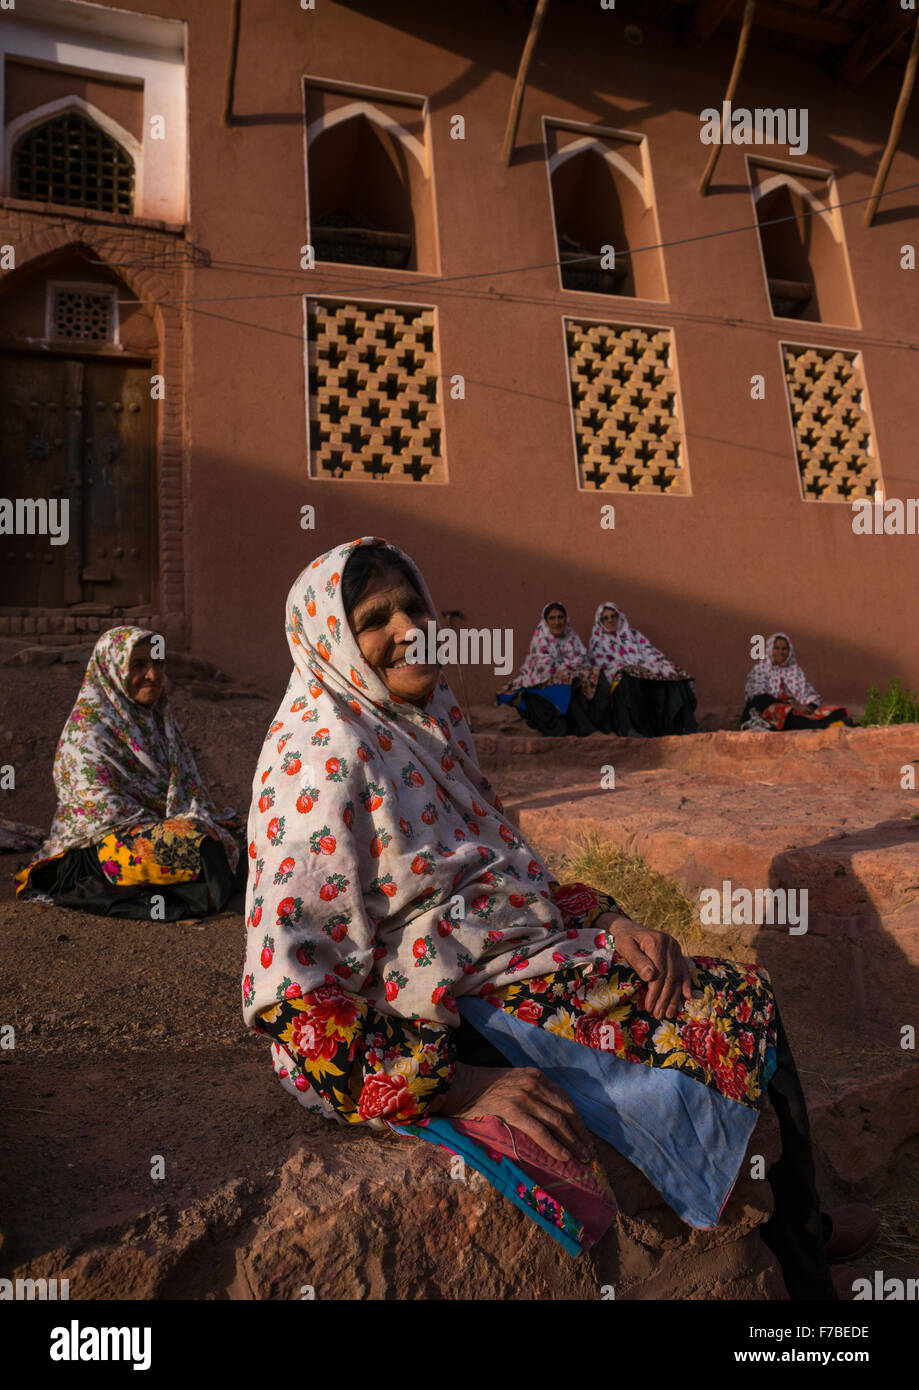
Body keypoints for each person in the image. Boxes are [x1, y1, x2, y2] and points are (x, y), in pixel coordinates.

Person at [243, 537, 875, 1294]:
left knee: (728, 989)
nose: (409, 628)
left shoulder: (422, 727)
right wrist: (456, 1085)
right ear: (330, 639)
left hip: (512, 960)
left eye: (417, 607)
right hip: (442, 1016)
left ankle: (794, 1219)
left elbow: (501, 876)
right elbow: (290, 989)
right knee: (725, 1006)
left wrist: (610, 925)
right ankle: (799, 1271)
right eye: (376, 618)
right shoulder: (323, 754)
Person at [15, 625, 247, 919]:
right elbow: (101, 811)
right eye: (138, 664)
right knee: (197, 844)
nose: (153, 674)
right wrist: (176, 825)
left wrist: (188, 820)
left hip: (156, 825)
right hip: (98, 845)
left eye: (158, 663)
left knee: (246, 829)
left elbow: (185, 789)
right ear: (112, 669)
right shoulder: (87, 731)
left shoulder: (157, 720)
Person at [498, 601, 612, 736]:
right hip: (543, 682)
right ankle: (586, 729)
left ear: (566, 619)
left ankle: (605, 727)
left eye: (560, 617)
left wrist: (572, 669)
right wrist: (568, 668)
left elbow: (582, 661)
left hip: (570, 676)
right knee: (570, 679)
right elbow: (545, 667)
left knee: (597, 675)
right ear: (546, 621)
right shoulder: (541, 639)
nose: (557, 622)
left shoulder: (572, 637)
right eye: (552, 618)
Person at [588, 602, 698, 737]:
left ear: (620, 616)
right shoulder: (597, 640)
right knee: (624, 678)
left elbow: (651, 652)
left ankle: (687, 725)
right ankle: (629, 729)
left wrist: (658, 666)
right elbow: (602, 665)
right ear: (600, 621)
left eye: (613, 616)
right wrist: (627, 667)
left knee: (675, 675)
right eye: (605, 618)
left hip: (644, 672)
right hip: (621, 678)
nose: (610, 620)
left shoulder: (633, 634)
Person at [742, 633, 855, 732]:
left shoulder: (795, 671)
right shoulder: (760, 670)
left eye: (784, 649)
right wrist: (792, 705)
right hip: (771, 712)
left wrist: (809, 707)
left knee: (836, 711)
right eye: (776, 648)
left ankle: (828, 725)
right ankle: (826, 726)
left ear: (790, 651)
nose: (781, 652)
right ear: (770, 649)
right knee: (785, 713)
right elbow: (758, 699)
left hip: (798, 710)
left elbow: (808, 695)